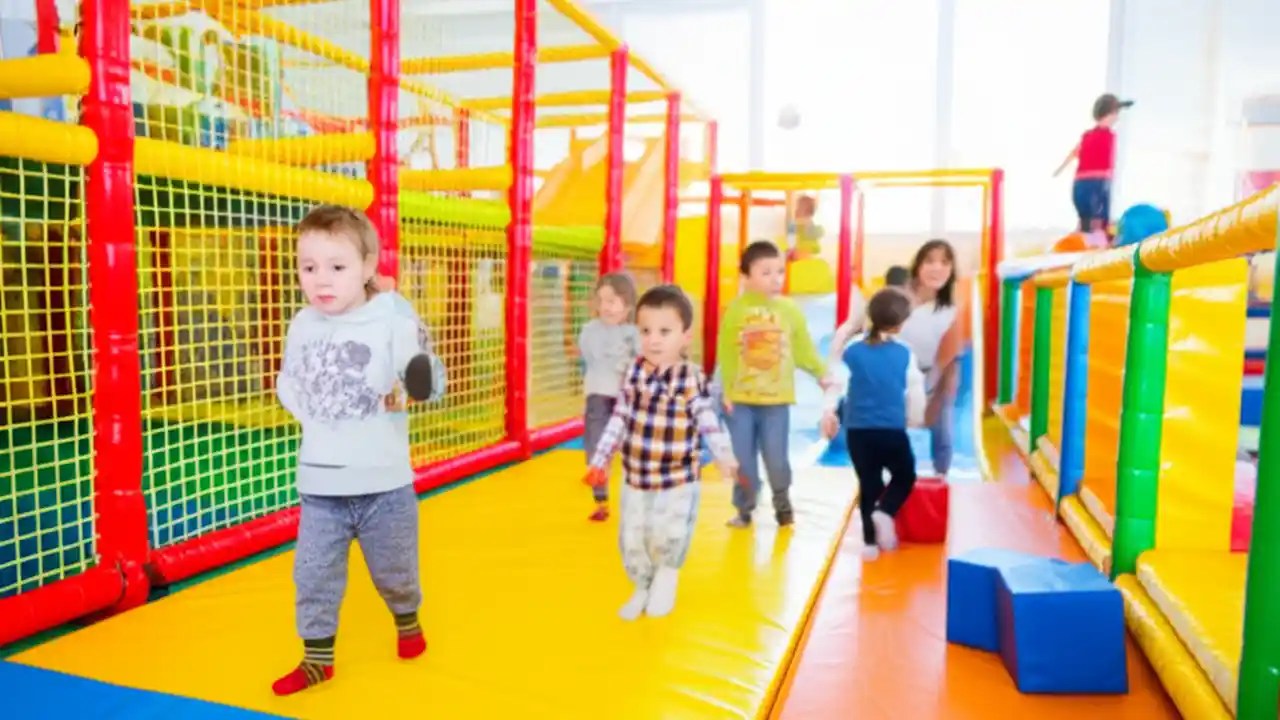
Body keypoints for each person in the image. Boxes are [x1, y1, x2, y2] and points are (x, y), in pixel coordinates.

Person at [271, 204, 446, 695]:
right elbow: (292, 381)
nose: (320, 280)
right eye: (308, 267)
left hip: (383, 484)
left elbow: (428, 378)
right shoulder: (303, 323)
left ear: (369, 268)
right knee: (312, 574)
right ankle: (316, 659)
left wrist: (412, 385)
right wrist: (302, 403)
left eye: (337, 267)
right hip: (321, 483)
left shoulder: (389, 317)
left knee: (395, 571)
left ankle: (406, 618)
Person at [583, 285, 737, 620]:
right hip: (636, 474)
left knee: (668, 531)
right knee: (633, 536)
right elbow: (620, 416)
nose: (653, 340)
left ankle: (666, 576)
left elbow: (706, 417)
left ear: (685, 336)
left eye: (664, 331)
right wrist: (600, 459)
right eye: (646, 331)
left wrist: (723, 454)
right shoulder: (634, 372)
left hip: (677, 475)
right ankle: (641, 585)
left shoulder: (690, 377)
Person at [718, 240, 829, 528]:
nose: (775, 279)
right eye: (765, 272)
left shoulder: (789, 311)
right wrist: (725, 390)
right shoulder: (735, 311)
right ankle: (744, 507)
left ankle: (781, 498)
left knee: (776, 458)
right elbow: (727, 354)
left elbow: (803, 348)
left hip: (776, 402)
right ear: (746, 277)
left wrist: (820, 373)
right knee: (744, 460)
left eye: (779, 271)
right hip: (741, 400)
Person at [821, 288, 925, 559]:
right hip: (891, 429)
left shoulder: (853, 350)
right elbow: (915, 389)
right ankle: (885, 511)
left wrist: (829, 411)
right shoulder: (904, 352)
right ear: (901, 323)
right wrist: (915, 417)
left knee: (868, 483)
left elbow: (836, 382)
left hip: (858, 431)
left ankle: (869, 543)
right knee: (905, 475)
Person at [578, 272, 640, 522]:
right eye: (602, 301)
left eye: (613, 301)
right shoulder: (590, 330)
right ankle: (601, 500)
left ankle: (636, 498)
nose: (607, 307)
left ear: (627, 305)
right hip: (598, 397)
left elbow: (640, 360)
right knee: (596, 448)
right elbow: (592, 356)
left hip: (626, 399)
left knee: (631, 449)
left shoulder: (634, 333)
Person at [898, 240, 961, 476]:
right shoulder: (900, 301)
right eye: (930, 261)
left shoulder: (951, 310)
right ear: (918, 266)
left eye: (945, 262)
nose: (937, 268)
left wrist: (932, 390)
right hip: (899, 372)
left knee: (942, 422)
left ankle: (940, 475)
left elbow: (948, 360)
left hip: (936, 373)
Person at [1053, 93, 1134, 234]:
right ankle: (1099, 235)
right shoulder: (1108, 135)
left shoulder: (1087, 136)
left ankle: (1091, 233)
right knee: (1099, 221)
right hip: (1097, 182)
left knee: (1087, 220)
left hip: (1081, 183)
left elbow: (1075, 152)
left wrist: (1060, 169)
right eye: (1116, 112)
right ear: (1110, 113)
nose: (1117, 117)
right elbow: (1077, 152)